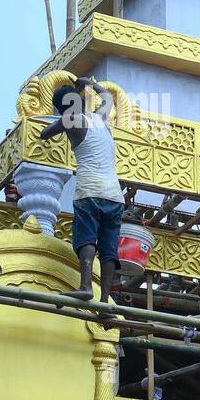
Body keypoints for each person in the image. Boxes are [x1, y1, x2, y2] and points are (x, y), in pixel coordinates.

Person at [38, 76, 124, 302]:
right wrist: (89, 83)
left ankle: (85, 286)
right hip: (115, 195)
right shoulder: (99, 118)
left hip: (89, 191)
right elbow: (107, 98)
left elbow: (44, 134)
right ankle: (104, 299)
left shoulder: (70, 118)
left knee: (87, 239)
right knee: (109, 247)